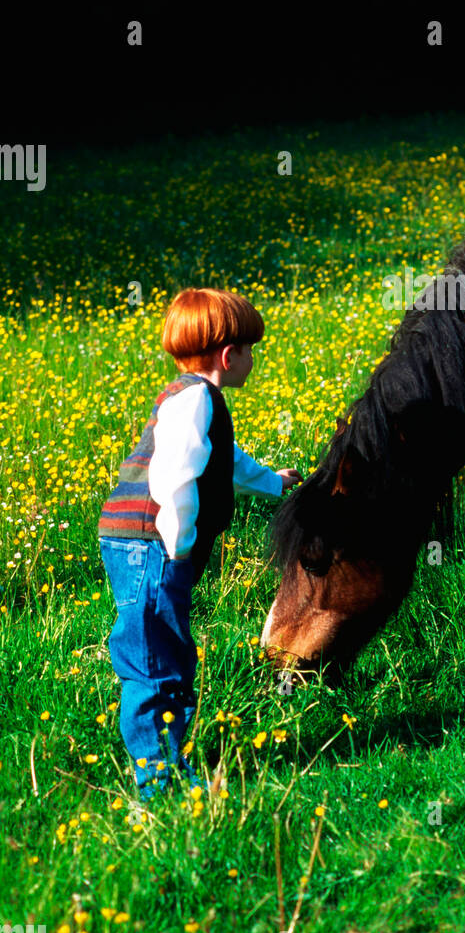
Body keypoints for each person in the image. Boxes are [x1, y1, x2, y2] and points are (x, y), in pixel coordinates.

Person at [97, 287, 302, 800]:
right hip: (153, 545)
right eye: (250, 350)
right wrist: (179, 544)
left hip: (144, 543)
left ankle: (169, 763)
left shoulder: (193, 396)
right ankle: (158, 787)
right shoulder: (194, 401)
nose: (253, 360)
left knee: (168, 651)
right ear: (229, 355)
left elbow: (225, 460)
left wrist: (274, 482)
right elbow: (174, 478)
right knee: (153, 660)